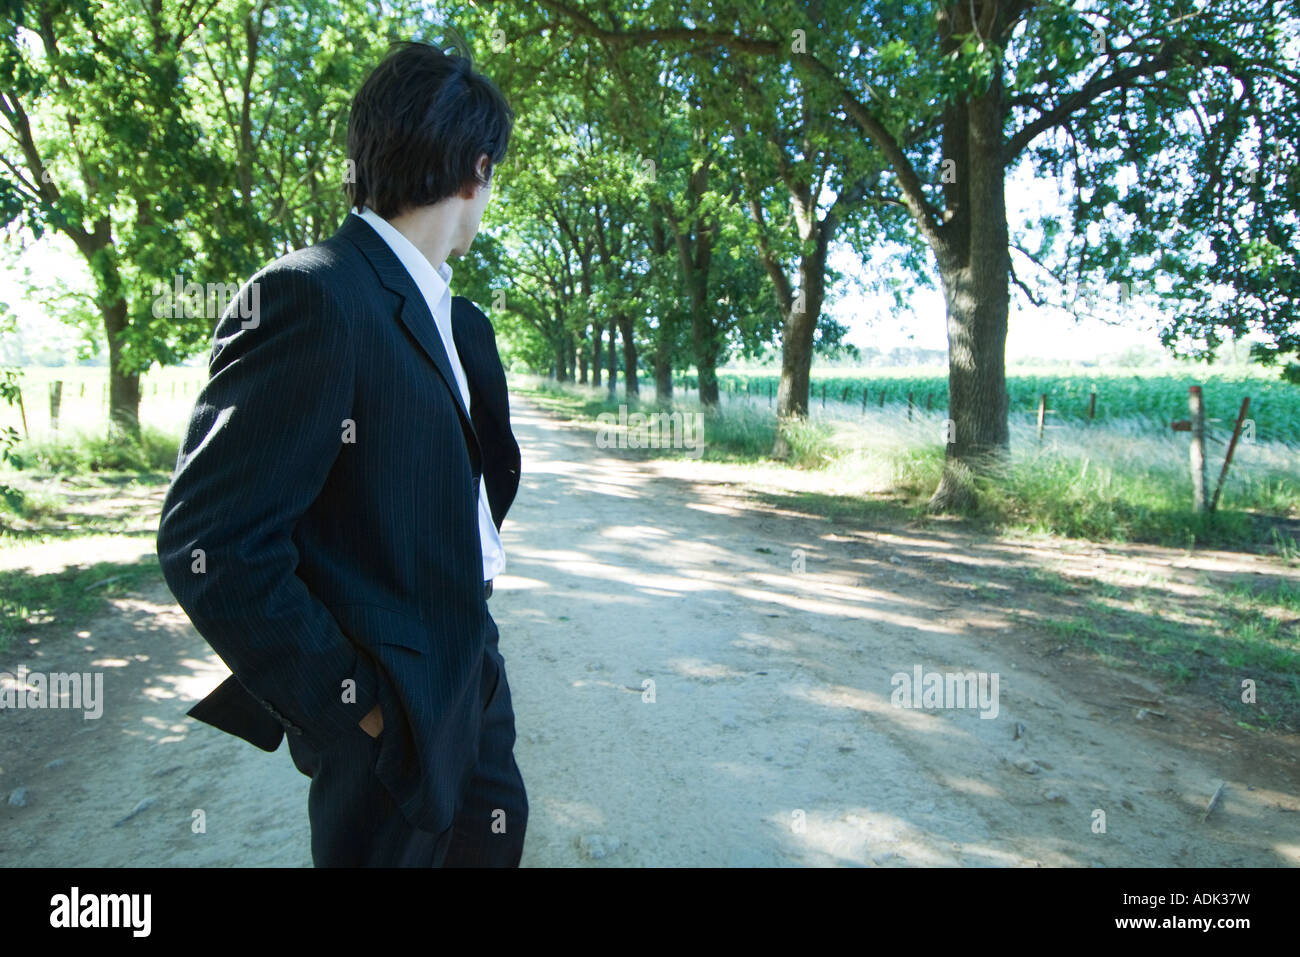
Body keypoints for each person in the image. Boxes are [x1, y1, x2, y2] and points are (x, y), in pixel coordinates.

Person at [156, 39, 526, 867]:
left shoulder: (460, 322)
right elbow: (211, 543)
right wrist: (354, 709)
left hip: (472, 666)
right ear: (477, 169)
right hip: (388, 710)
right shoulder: (314, 293)